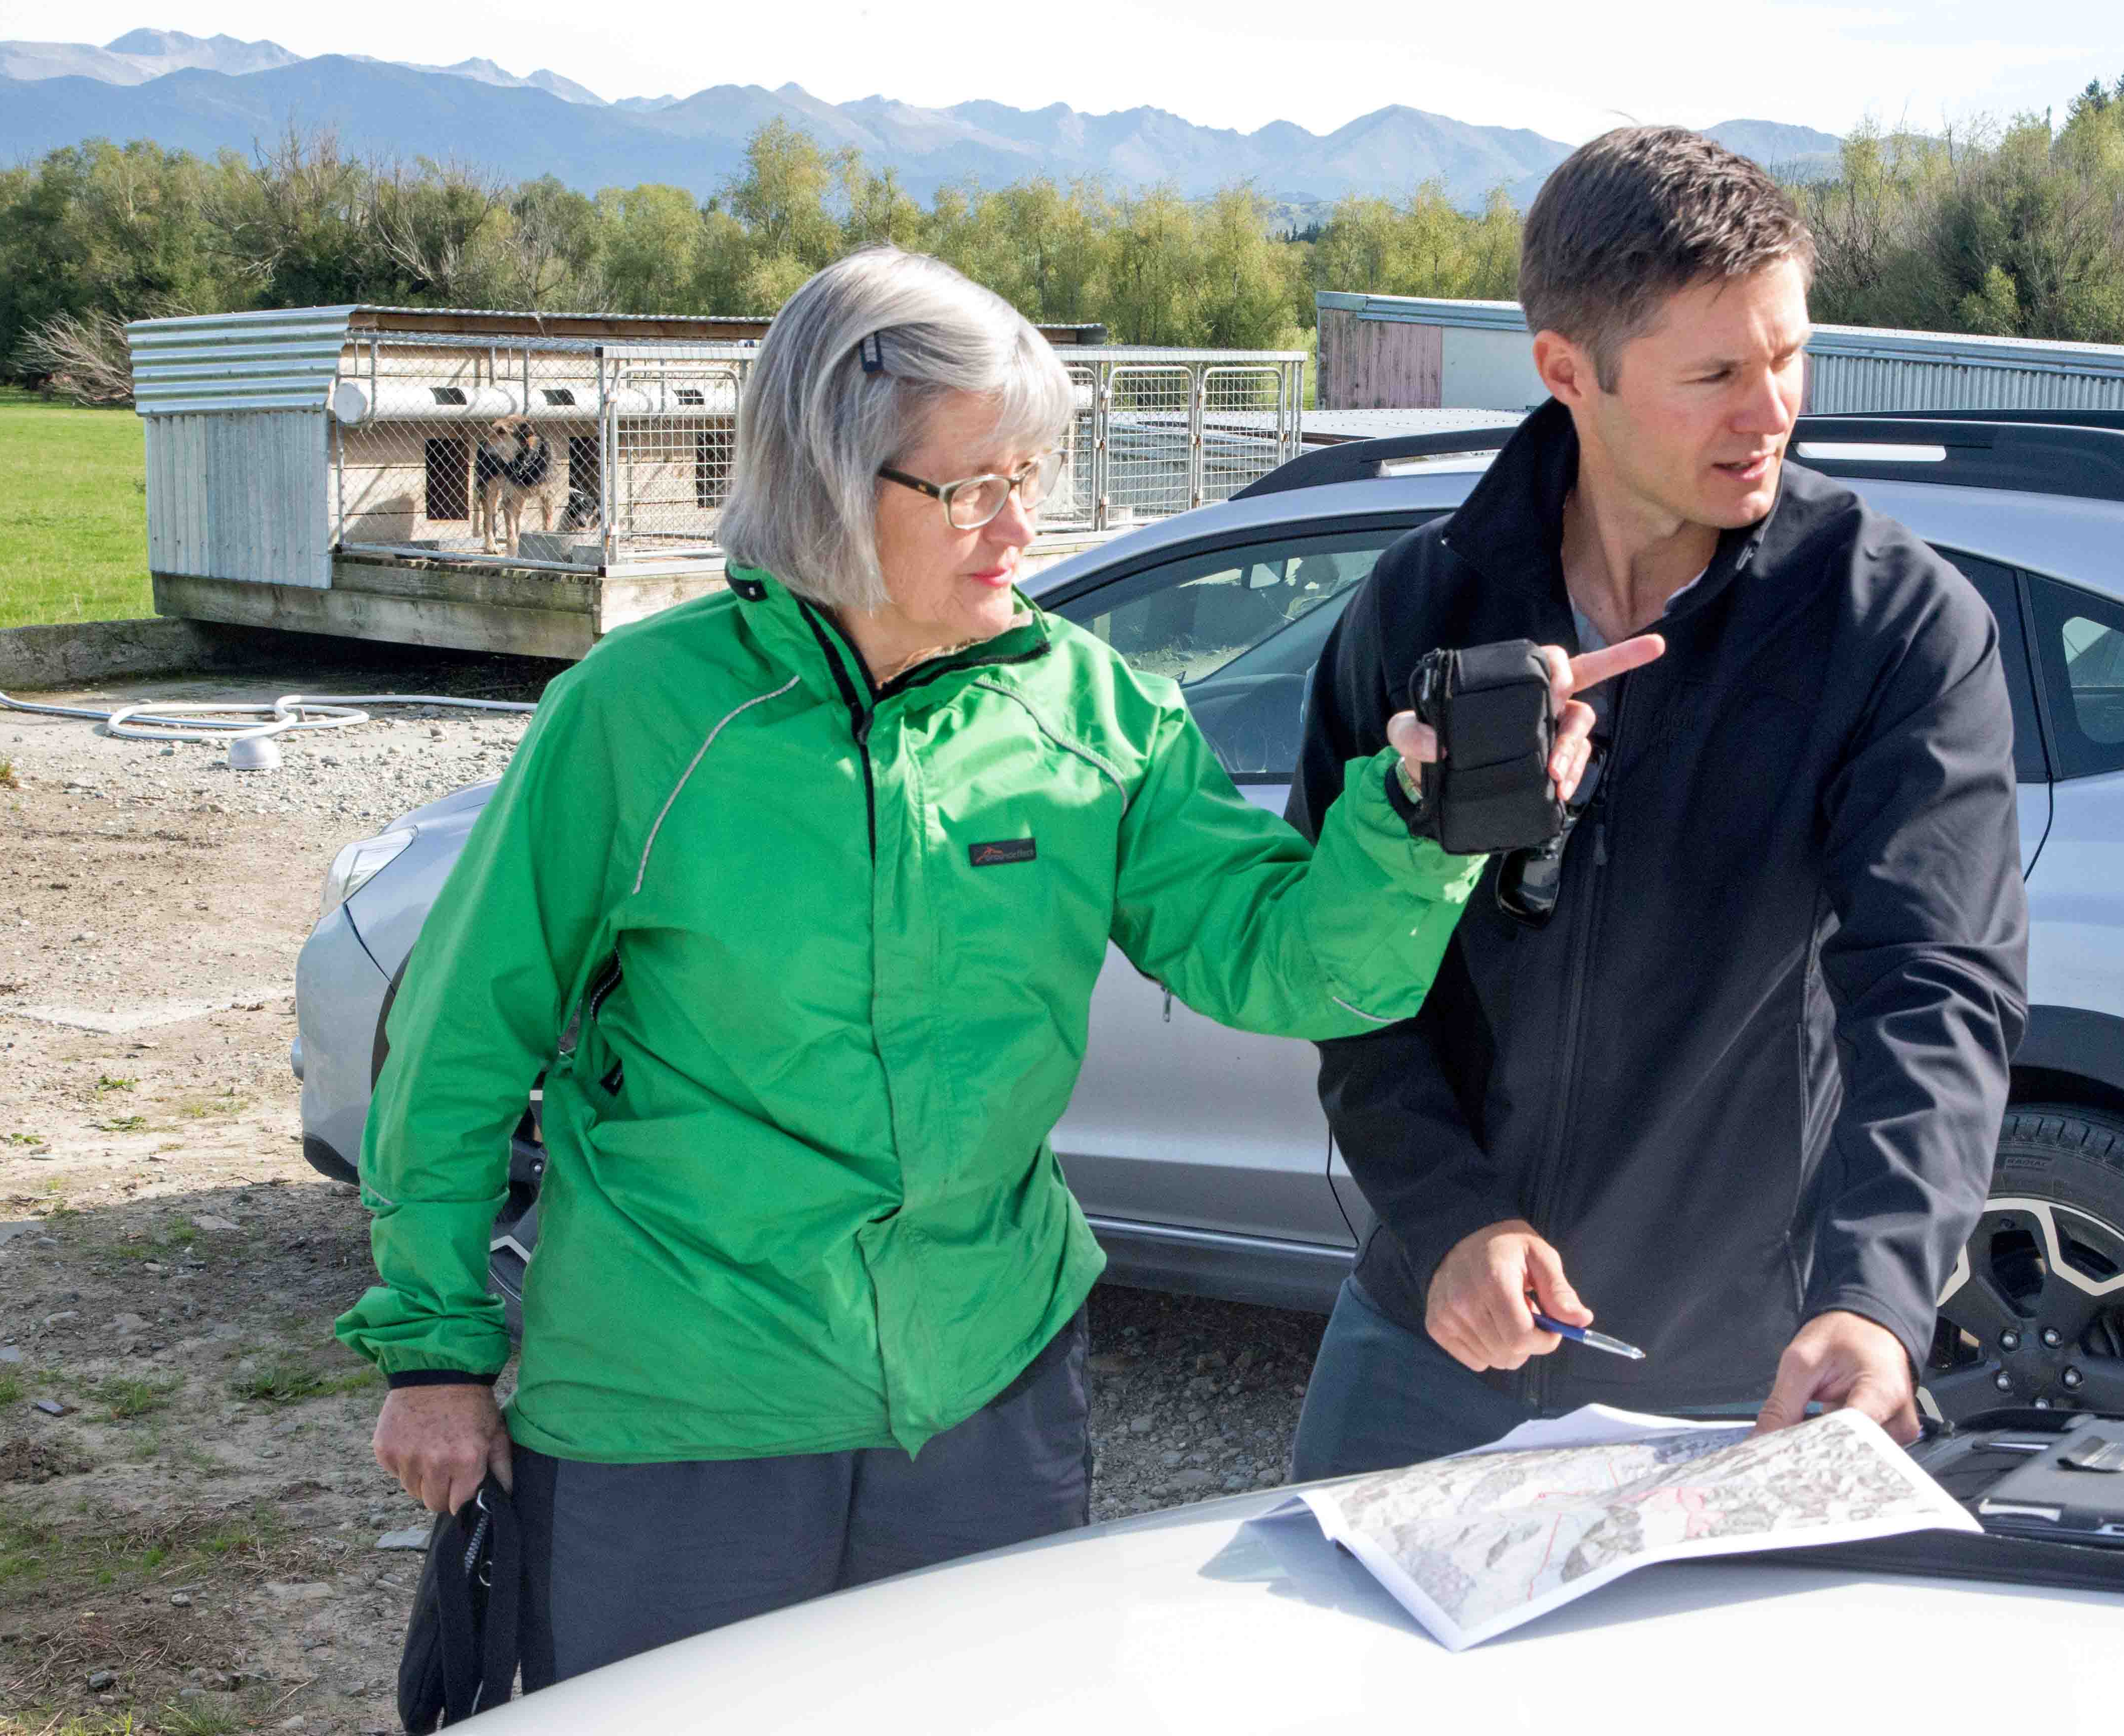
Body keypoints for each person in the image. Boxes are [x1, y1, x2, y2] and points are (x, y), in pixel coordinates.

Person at [336, 245, 1656, 1685]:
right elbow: (462, 1039)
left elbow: (1289, 969)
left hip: (987, 1398)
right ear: (833, 483)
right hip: (679, 1403)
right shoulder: (641, 717)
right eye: (975, 488)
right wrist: (439, 1351)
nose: (1021, 527)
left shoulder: (1090, 712)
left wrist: (1416, 824)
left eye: (1033, 475)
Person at [1287, 128, 2030, 1479]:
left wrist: (1876, 1295)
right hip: (1428, 1342)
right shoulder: (1421, 609)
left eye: (1789, 357)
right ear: (1568, 371)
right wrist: (1448, 1218)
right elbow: (1341, 979)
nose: (1773, 413)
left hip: (1739, 1377)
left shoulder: (1895, 626)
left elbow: (1936, 990)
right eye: (1715, 377)